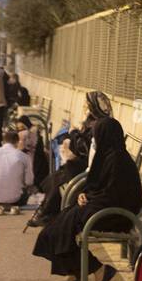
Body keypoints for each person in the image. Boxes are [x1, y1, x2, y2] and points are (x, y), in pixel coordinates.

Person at [33, 116, 142, 281]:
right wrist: (85, 194)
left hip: (115, 216)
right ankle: (87, 273)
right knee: (55, 229)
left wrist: (90, 198)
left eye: (96, 135)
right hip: (102, 208)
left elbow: (116, 196)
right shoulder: (108, 155)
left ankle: (87, 273)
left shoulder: (117, 160)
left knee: (60, 231)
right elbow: (99, 185)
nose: (94, 139)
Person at [29, 91, 113, 227]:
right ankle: (46, 211)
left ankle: (46, 212)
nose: (84, 108)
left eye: (87, 106)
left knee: (66, 172)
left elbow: (82, 148)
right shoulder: (95, 123)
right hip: (85, 167)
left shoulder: (100, 126)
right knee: (61, 174)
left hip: (91, 171)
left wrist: (74, 133)